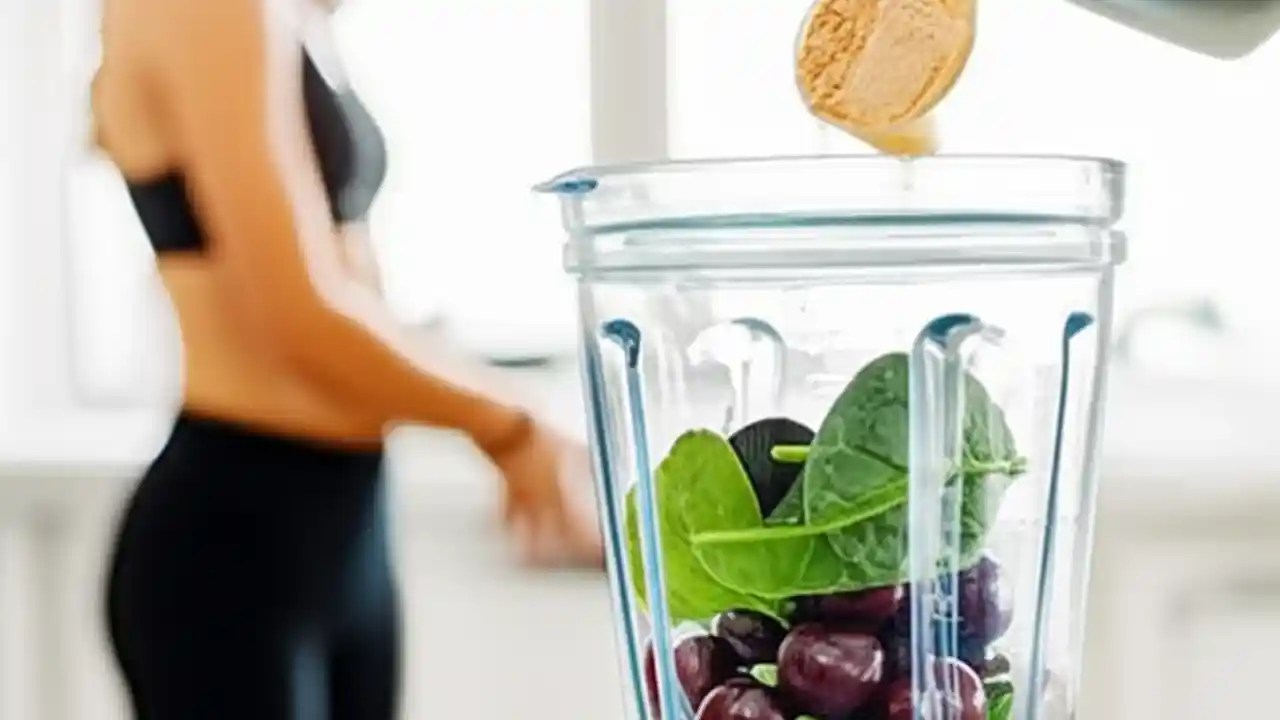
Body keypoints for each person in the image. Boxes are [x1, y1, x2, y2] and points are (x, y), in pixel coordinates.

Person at [91, 0, 604, 717]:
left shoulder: (290, 17)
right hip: (236, 541)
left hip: (343, 523)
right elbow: (298, 313)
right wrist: (511, 423)